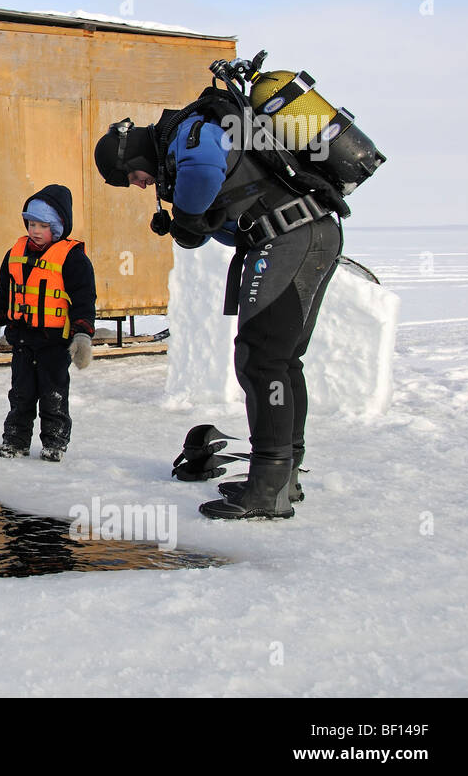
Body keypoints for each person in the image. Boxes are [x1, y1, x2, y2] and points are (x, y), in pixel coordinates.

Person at [94, 95, 342, 520]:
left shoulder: (187, 133)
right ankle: (283, 475)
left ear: (131, 153)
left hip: (289, 238)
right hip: (309, 232)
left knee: (261, 360)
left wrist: (189, 218)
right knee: (282, 360)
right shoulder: (186, 139)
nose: (138, 184)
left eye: (129, 175)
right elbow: (226, 200)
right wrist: (197, 224)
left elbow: (204, 168)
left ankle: (268, 489)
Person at [0, 185, 96, 461]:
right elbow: (3, 292)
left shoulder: (73, 259)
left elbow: (84, 298)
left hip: (54, 342)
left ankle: (54, 443)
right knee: (20, 394)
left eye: (43, 225)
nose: (34, 230)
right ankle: (15, 440)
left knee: (53, 394)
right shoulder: (15, 253)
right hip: (22, 339)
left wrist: (82, 336)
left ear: (57, 228)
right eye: (31, 223)